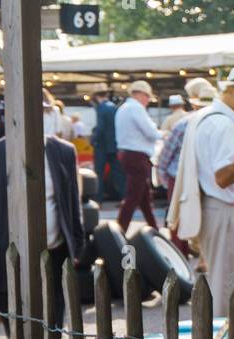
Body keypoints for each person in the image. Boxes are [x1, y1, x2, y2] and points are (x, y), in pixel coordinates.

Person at [0, 93, 84, 335]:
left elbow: (72, 203)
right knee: (17, 334)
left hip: (53, 254)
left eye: (44, 113)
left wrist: (77, 246)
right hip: (7, 257)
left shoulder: (63, 152)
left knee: (53, 331)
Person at [168, 65, 234, 308]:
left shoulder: (213, 118)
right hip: (225, 211)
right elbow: (224, 176)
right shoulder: (223, 124)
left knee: (227, 285)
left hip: (219, 210)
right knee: (229, 289)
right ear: (233, 90)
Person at [158, 80, 216, 256]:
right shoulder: (218, 123)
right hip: (203, 179)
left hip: (182, 179)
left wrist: (162, 176)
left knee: (180, 220)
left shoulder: (184, 123)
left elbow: (166, 153)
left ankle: (180, 256)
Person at [115, 80, 160, 232]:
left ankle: (153, 228)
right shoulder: (136, 108)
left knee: (143, 197)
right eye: (147, 97)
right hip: (137, 156)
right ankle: (120, 230)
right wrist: (161, 133)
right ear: (142, 94)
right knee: (134, 196)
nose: (148, 101)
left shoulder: (124, 108)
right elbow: (151, 132)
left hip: (129, 154)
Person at [90, 86, 122, 202]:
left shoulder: (101, 108)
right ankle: (124, 197)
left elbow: (100, 127)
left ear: (96, 96)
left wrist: (93, 140)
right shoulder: (114, 107)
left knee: (99, 173)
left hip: (102, 146)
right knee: (118, 173)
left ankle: (98, 199)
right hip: (114, 145)